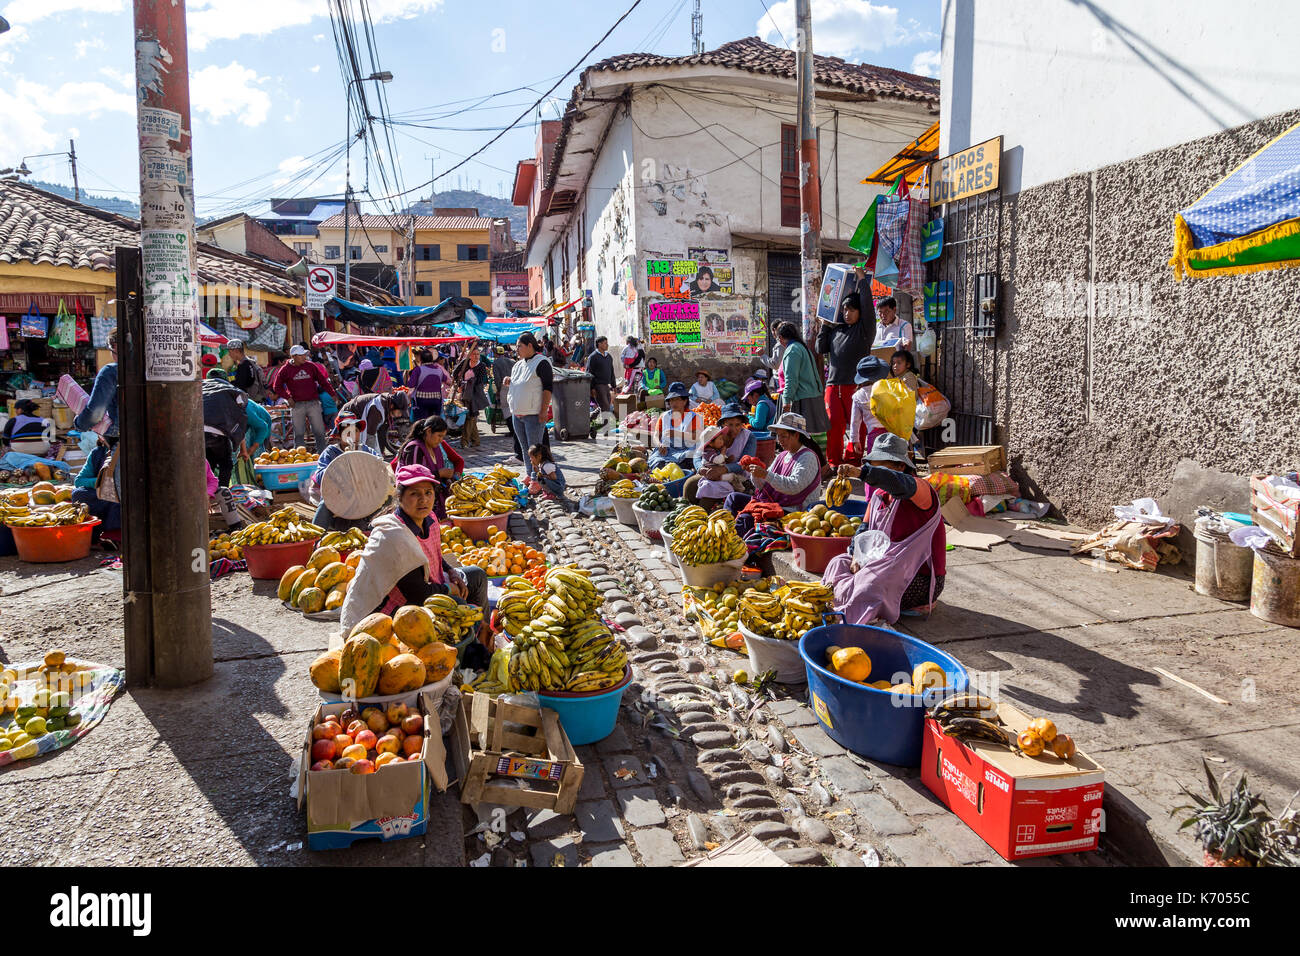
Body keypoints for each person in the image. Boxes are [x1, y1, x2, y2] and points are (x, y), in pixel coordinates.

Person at [339, 464, 490, 647]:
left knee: (477, 575)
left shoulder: (430, 519)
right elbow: (419, 593)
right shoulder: (393, 536)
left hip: (424, 589)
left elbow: (432, 555)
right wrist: (450, 590)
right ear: (399, 497)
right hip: (388, 612)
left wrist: (451, 572)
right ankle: (468, 651)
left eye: (428, 493)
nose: (423, 500)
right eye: (414, 494)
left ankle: (483, 639)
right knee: (458, 606)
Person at [825, 432, 946, 623]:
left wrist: (862, 473)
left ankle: (848, 616)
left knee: (869, 583)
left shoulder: (921, 489)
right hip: (884, 565)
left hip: (919, 578)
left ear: (901, 466)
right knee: (838, 563)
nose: (876, 474)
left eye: (882, 468)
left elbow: (898, 482)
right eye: (873, 467)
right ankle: (832, 603)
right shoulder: (879, 497)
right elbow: (863, 531)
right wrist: (856, 555)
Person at [816, 265, 878, 468]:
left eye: (851, 309)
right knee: (833, 425)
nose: (847, 313)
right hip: (833, 386)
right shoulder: (836, 331)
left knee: (857, 427)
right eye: (844, 309)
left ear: (859, 312)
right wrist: (825, 325)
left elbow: (868, 306)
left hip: (856, 387)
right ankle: (834, 462)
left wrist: (861, 280)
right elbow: (820, 347)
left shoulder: (865, 330)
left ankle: (853, 461)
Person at [725, 412, 826, 515]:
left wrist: (765, 474)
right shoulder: (782, 455)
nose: (779, 440)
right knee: (733, 498)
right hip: (774, 503)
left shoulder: (808, 457)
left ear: (796, 435)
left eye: (783, 436)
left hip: (792, 510)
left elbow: (794, 486)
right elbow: (764, 486)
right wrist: (755, 474)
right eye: (778, 436)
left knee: (746, 517)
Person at [309, 413, 385, 531]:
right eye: (348, 432)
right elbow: (320, 476)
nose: (353, 436)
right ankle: (315, 536)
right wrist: (340, 465)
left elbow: (380, 468)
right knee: (326, 504)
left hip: (363, 492)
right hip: (338, 493)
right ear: (339, 435)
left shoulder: (366, 450)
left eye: (356, 431)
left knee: (386, 498)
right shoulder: (331, 452)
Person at [684, 401, 756, 505]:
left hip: (736, 478)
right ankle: (689, 511)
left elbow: (745, 463)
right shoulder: (713, 433)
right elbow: (697, 455)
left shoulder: (749, 437)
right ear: (723, 424)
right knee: (690, 484)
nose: (734, 429)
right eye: (730, 425)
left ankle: (704, 514)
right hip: (711, 472)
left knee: (708, 496)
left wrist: (723, 469)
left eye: (738, 425)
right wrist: (701, 469)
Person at [503, 331, 552, 480]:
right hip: (517, 414)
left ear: (530, 345)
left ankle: (539, 478)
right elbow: (523, 381)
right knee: (525, 449)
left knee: (535, 450)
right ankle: (530, 475)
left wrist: (544, 410)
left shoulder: (542, 362)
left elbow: (548, 388)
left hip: (533, 414)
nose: (516, 350)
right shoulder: (518, 364)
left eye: (519, 346)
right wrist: (510, 380)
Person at [270, 344, 339, 452]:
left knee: (319, 432)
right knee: (298, 434)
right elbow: (277, 386)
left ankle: (322, 454)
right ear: (294, 356)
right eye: (301, 355)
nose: (304, 357)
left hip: (313, 403)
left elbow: (323, 381)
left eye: (304, 355)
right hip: (297, 405)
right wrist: (288, 398)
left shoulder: (310, 366)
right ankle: (300, 456)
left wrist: (332, 393)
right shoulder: (285, 370)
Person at [395, 415, 463, 520]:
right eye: (439, 436)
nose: (441, 440)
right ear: (428, 431)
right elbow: (413, 479)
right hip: (416, 503)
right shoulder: (415, 449)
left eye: (443, 437)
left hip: (433, 501)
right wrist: (440, 473)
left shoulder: (435, 448)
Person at [776, 322, 830, 450]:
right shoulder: (802, 347)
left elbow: (791, 378)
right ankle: (821, 462)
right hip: (813, 395)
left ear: (781, 338)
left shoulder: (792, 350)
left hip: (804, 399)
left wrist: (787, 401)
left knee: (806, 436)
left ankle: (815, 463)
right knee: (816, 433)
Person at [201, 371, 249, 487]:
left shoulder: (199, 385)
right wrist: (243, 449)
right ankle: (222, 492)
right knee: (226, 464)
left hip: (197, 431)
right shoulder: (231, 389)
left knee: (207, 464)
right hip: (218, 431)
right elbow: (240, 419)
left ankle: (207, 495)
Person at [71, 436, 120, 546]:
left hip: (123, 494)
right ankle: (93, 535)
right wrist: (102, 482)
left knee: (118, 499)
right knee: (79, 494)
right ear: (100, 438)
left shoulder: (129, 451)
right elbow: (79, 481)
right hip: (102, 493)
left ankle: (113, 535)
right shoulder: (97, 453)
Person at [686, 425, 747, 509]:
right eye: (720, 439)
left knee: (733, 476)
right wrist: (723, 453)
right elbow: (717, 460)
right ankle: (741, 489)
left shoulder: (714, 450)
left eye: (722, 439)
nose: (722, 441)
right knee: (732, 477)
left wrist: (728, 460)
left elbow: (722, 460)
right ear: (711, 443)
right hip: (714, 476)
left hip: (718, 473)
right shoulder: (708, 452)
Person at [74, 328, 119, 440]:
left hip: (120, 441)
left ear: (114, 346)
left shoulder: (110, 372)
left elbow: (95, 414)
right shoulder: (153, 371)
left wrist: (79, 423)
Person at [846, 355, 891, 467]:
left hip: (873, 434)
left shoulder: (858, 396)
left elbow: (855, 422)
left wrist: (854, 440)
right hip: (891, 431)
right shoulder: (887, 389)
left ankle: (873, 484)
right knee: (890, 462)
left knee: (874, 463)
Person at [647, 382, 701, 469]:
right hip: (667, 450)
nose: (673, 403)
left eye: (677, 399)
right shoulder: (664, 416)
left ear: (685, 401)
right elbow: (656, 435)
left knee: (691, 457)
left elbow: (697, 437)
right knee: (657, 461)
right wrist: (659, 444)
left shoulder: (694, 417)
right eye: (671, 400)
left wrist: (678, 434)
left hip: (686, 450)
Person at [453, 344, 490, 449]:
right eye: (474, 354)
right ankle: (475, 441)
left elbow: (480, 380)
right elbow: (455, 373)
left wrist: (469, 382)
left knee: (470, 416)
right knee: (470, 416)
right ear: (469, 355)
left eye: (478, 354)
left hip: (475, 394)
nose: (476, 356)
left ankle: (464, 441)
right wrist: (460, 384)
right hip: (464, 393)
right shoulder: (465, 363)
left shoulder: (481, 366)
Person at [407, 348, 447, 420]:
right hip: (436, 402)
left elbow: (411, 385)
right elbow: (446, 380)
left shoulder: (418, 370)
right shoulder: (439, 370)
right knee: (433, 423)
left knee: (422, 423)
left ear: (421, 359)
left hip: (421, 402)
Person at [585, 336, 616, 413]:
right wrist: (591, 388)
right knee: (605, 406)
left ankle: (602, 422)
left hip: (606, 385)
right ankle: (606, 424)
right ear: (599, 344)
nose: (607, 345)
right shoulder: (593, 357)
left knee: (607, 405)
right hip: (598, 385)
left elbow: (611, 371)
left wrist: (614, 385)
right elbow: (589, 373)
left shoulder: (608, 357)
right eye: (605, 343)